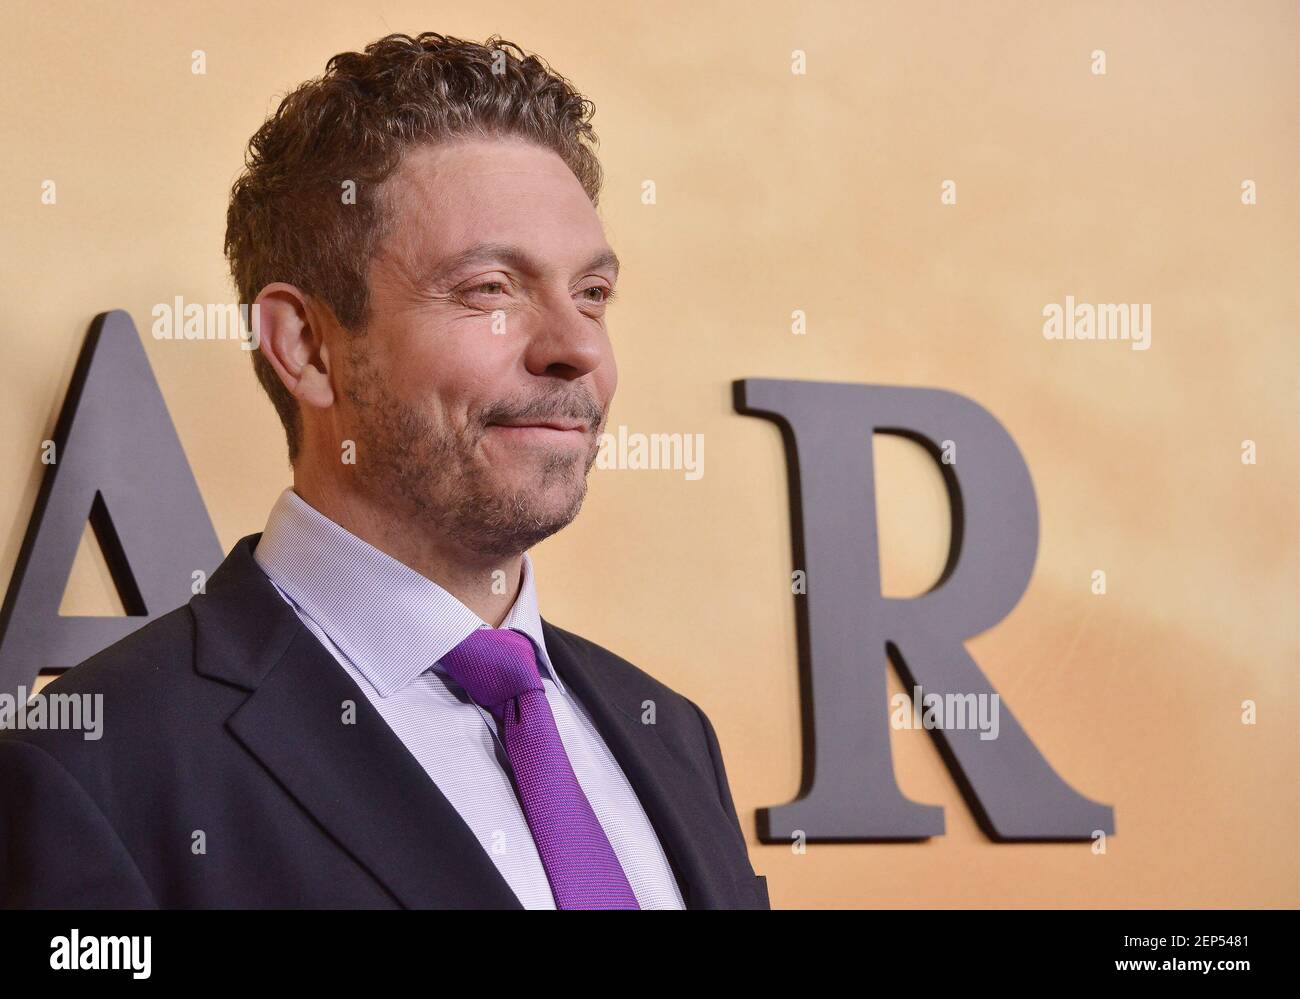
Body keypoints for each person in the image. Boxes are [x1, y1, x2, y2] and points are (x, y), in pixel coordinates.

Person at [0, 32, 767, 910]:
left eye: (592, 294)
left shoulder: (671, 733)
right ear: (307, 346)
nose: (578, 348)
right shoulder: (93, 776)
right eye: (490, 289)